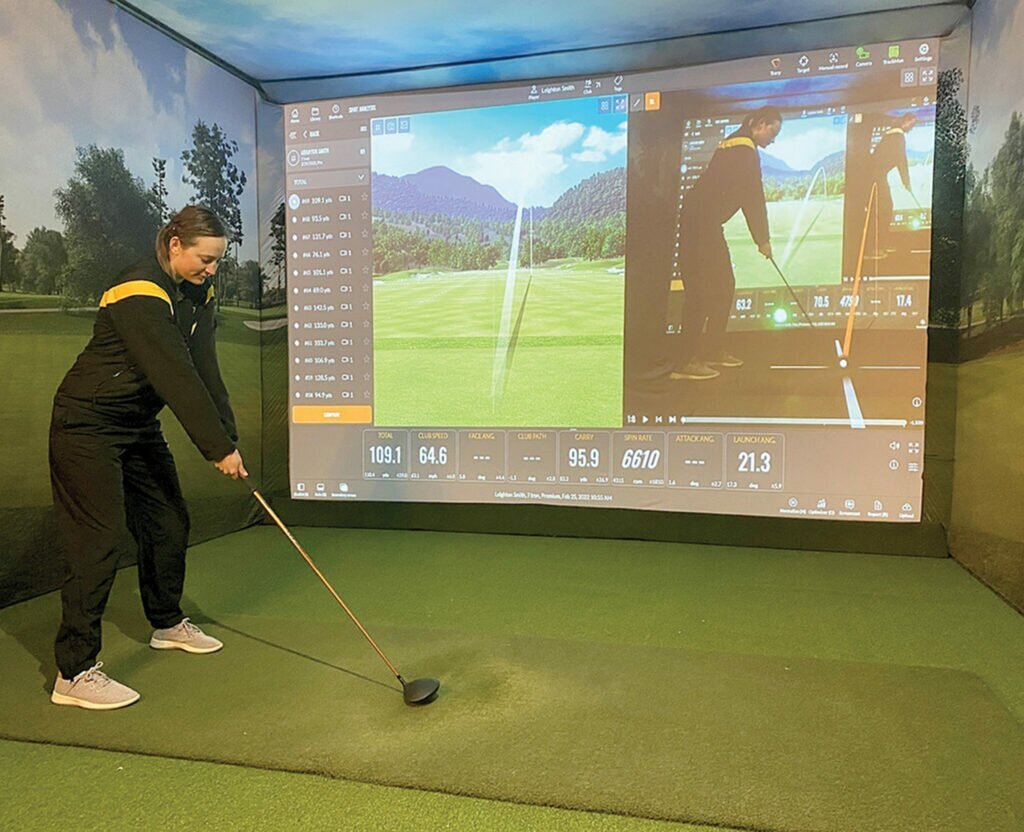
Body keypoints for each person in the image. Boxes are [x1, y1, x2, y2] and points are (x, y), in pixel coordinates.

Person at [48, 205, 248, 710]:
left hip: (135, 424)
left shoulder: (196, 293)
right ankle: (73, 672)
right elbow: (174, 374)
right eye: (205, 259)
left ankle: (166, 621)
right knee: (98, 540)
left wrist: (228, 435)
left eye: (218, 261)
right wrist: (215, 448)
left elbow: (204, 366)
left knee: (167, 520)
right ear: (176, 245)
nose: (212, 270)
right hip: (87, 423)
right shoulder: (138, 289)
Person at [673, 106, 782, 380]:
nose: (773, 139)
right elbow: (753, 198)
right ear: (758, 124)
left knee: (723, 286)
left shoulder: (734, 145)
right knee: (701, 293)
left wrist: (760, 238)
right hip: (700, 226)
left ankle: (711, 351)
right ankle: (684, 361)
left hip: (703, 224)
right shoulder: (744, 150)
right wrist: (762, 240)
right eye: (773, 131)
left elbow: (746, 196)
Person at [866, 112, 917, 259]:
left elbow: (897, 160)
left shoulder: (891, 135)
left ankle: (879, 245)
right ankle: (874, 248)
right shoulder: (897, 136)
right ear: (905, 121)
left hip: (876, 176)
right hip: (875, 177)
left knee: (884, 209)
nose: (911, 128)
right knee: (884, 210)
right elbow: (901, 160)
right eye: (911, 125)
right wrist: (906, 182)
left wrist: (905, 181)